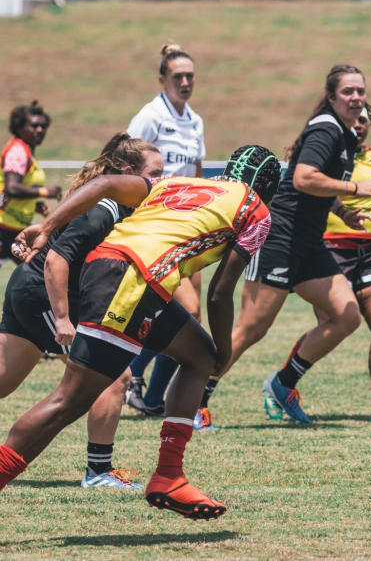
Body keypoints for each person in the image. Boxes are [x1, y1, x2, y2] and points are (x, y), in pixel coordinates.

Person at [0, 145, 279, 519]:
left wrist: (46, 226)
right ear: (268, 187)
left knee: (198, 356)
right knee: (72, 399)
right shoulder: (256, 210)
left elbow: (105, 183)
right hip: (130, 282)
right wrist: (226, 351)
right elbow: (219, 293)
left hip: (121, 272)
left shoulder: (179, 183)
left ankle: (169, 476)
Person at [221, 64, 371, 426]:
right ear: (331, 97)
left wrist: (343, 210)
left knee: (347, 314)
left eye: (360, 91)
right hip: (280, 238)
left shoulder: (345, 135)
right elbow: (304, 178)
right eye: (348, 92)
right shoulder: (326, 129)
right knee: (251, 329)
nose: (356, 98)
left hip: (309, 243)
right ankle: (197, 396)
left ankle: (283, 383)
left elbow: (316, 183)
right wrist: (356, 190)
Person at [0, 133, 162, 489]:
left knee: (4, 379)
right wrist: (62, 318)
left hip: (27, 289)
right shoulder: (103, 209)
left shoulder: (124, 206)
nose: (159, 182)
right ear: (128, 173)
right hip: (42, 293)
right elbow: (56, 259)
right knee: (112, 378)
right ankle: (98, 471)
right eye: (154, 174)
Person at [262, 102, 371, 424]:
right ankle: (282, 385)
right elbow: (307, 191)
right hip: (328, 249)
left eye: (366, 120)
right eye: (356, 118)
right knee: (332, 322)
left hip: (370, 250)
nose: (360, 124)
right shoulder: (327, 151)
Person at [124, 42, 208, 420]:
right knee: (182, 310)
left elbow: (197, 172)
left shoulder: (195, 119)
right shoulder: (150, 116)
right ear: (162, 79)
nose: (186, 82)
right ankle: (136, 379)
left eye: (190, 76)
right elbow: (124, 163)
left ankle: (148, 394)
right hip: (156, 225)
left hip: (190, 226)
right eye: (178, 77)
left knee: (189, 314)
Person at [1, 101, 62, 261]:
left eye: (43, 126)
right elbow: (12, 188)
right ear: (20, 127)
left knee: (35, 274)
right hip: (4, 228)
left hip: (14, 227)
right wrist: (44, 192)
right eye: (34, 126)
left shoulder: (25, 152)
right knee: (38, 273)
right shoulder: (18, 151)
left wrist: (33, 206)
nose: (40, 130)